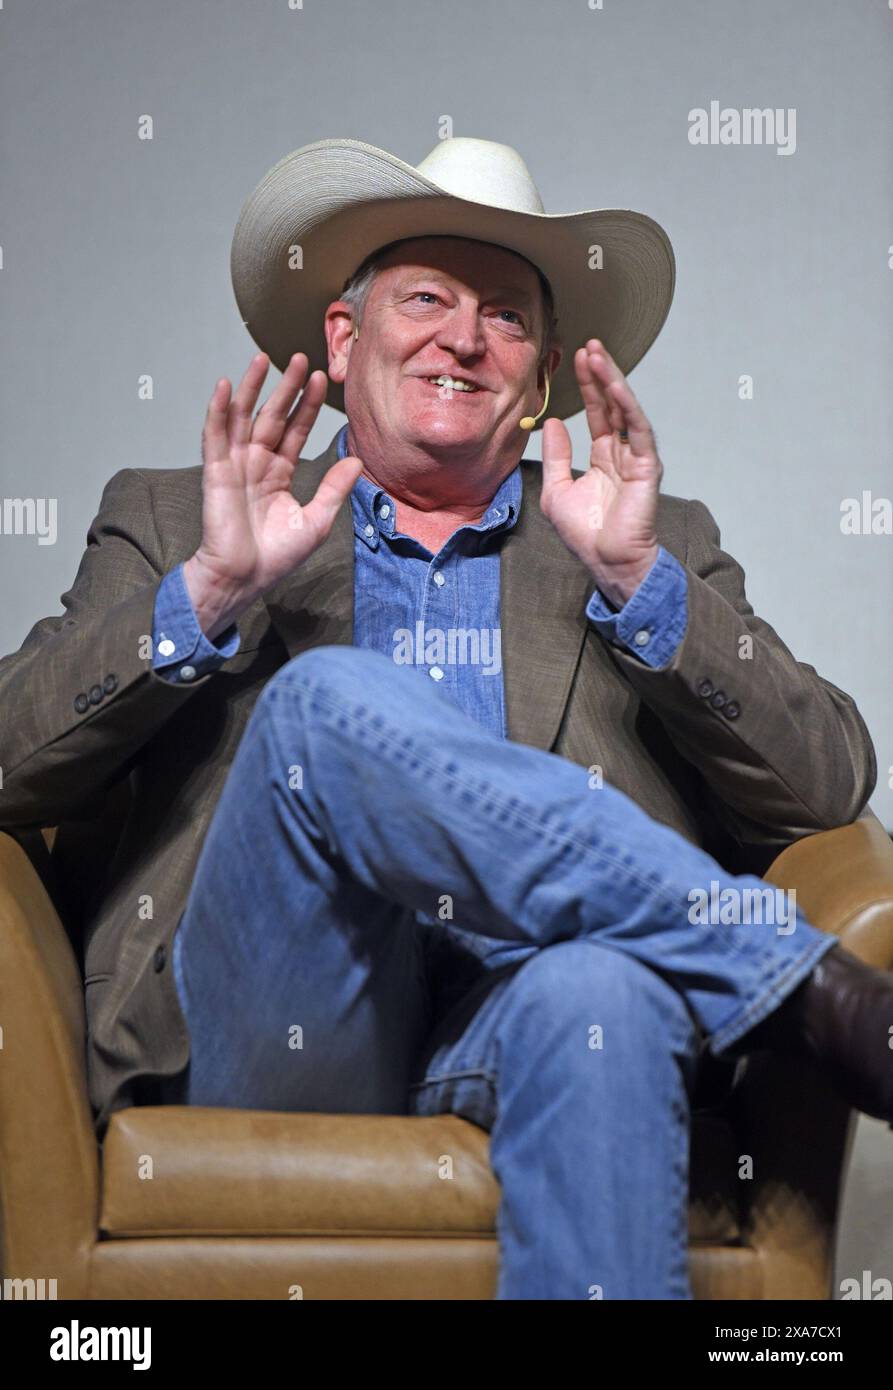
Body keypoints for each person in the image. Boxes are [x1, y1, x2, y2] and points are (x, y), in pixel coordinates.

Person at [0, 136, 889, 1300]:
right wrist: (206, 598)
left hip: (521, 1023)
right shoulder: (178, 520)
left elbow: (828, 782)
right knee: (322, 702)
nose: (463, 338)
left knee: (605, 994)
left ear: (538, 379)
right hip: (285, 1026)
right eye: (425, 297)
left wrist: (642, 592)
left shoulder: (649, 538)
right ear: (341, 336)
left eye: (506, 317)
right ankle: (813, 994)